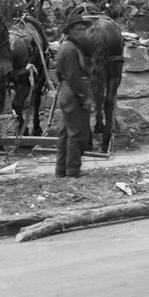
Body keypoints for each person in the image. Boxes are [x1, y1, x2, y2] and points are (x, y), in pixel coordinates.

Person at [54, 13, 92, 178]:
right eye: (78, 29)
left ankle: (61, 170)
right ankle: (73, 170)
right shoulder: (70, 49)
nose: (82, 33)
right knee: (76, 134)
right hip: (73, 94)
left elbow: (58, 73)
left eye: (84, 29)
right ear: (69, 30)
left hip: (66, 92)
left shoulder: (66, 46)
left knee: (65, 134)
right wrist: (85, 96)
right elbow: (73, 77)